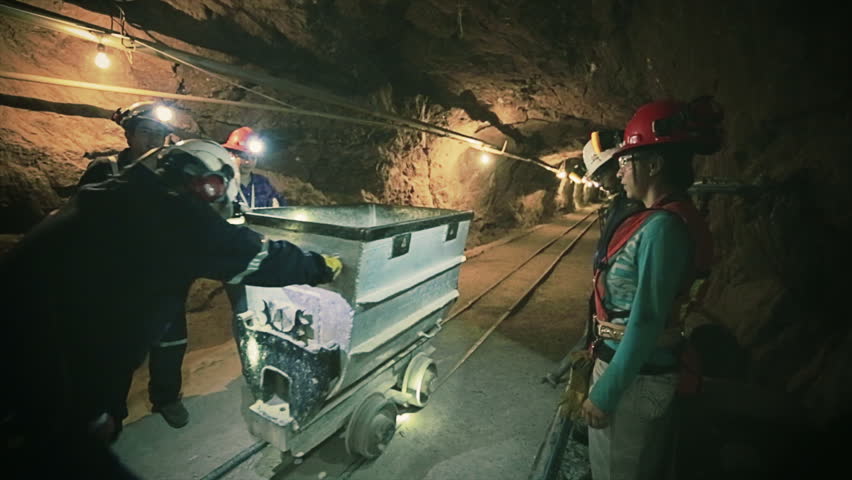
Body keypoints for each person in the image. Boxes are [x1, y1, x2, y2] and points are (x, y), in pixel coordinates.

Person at [1, 139, 341, 478]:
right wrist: (320, 266)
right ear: (210, 184)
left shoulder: (112, 194)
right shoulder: (174, 216)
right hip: (43, 372)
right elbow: (258, 257)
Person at [580, 98, 722, 479]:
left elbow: (646, 318)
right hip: (636, 370)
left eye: (626, 160)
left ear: (654, 165)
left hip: (633, 380)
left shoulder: (662, 228)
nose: (619, 170)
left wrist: (606, 391)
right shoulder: (663, 220)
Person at [78, 101, 192, 430]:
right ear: (128, 135)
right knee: (118, 347)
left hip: (165, 278)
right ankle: (112, 411)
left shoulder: (174, 175)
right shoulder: (106, 169)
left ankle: (166, 397)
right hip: (119, 282)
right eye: (145, 131)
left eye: (159, 134)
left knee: (171, 341)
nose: (153, 139)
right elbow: (81, 220)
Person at [222, 126, 286, 209]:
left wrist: (278, 208)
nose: (248, 162)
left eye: (253, 158)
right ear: (231, 155)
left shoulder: (262, 183)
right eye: (244, 157)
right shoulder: (223, 183)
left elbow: (282, 205)